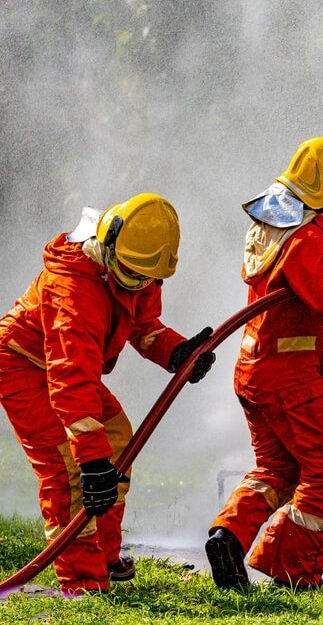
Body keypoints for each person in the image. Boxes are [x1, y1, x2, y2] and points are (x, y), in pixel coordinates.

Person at [0, 193, 216, 594]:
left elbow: (143, 323)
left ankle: (104, 553)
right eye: (135, 277)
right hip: (22, 365)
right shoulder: (73, 291)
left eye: (150, 280)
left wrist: (176, 351)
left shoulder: (139, 264)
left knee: (116, 441)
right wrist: (91, 460)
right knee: (70, 471)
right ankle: (81, 583)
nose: (142, 286)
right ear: (108, 244)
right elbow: (72, 379)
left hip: (65, 369)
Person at [206, 137, 323, 592]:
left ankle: (228, 537)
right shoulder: (307, 236)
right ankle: (294, 572)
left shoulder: (270, 225)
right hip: (291, 375)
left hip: (254, 369)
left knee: (275, 470)